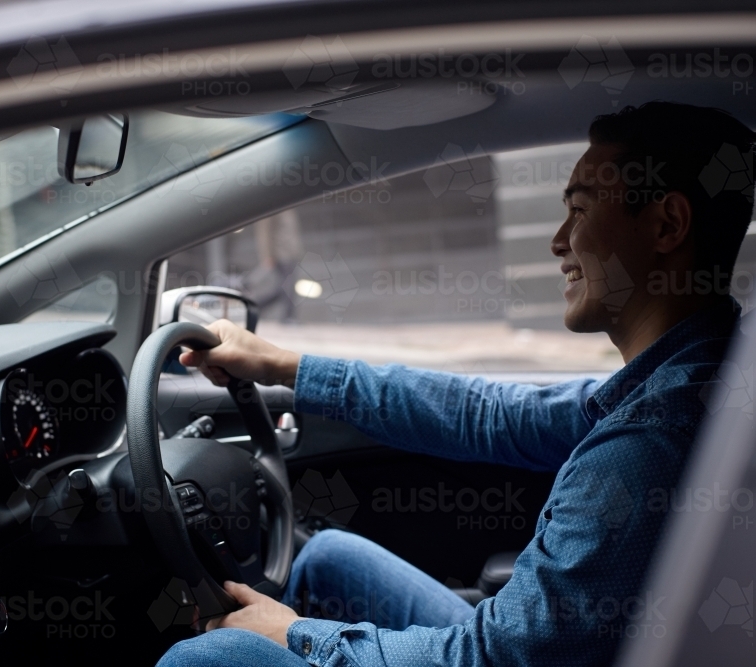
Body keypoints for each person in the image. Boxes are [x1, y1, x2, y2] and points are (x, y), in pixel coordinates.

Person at [157, 102, 756, 667]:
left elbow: (489, 658)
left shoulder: (646, 444)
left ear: (666, 224)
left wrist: (293, 634)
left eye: (581, 208)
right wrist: (285, 365)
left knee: (205, 657)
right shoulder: (693, 374)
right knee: (332, 559)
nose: (557, 240)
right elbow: (489, 413)